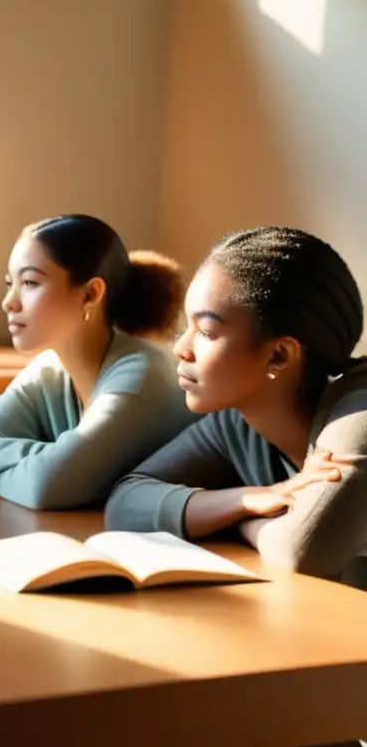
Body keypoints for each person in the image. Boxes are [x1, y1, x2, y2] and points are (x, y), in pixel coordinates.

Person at [105, 226, 367, 587]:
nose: (181, 347)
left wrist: (246, 525)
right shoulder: (238, 422)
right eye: (186, 326)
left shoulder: (360, 413)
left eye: (208, 332)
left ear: (279, 355)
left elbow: (303, 551)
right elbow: (126, 502)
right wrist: (248, 500)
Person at [0, 214, 195, 509]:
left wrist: (14, 469)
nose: (9, 302)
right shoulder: (49, 367)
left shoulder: (142, 372)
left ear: (90, 294)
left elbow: (47, 486)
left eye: (28, 282)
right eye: (9, 283)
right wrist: (52, 457)